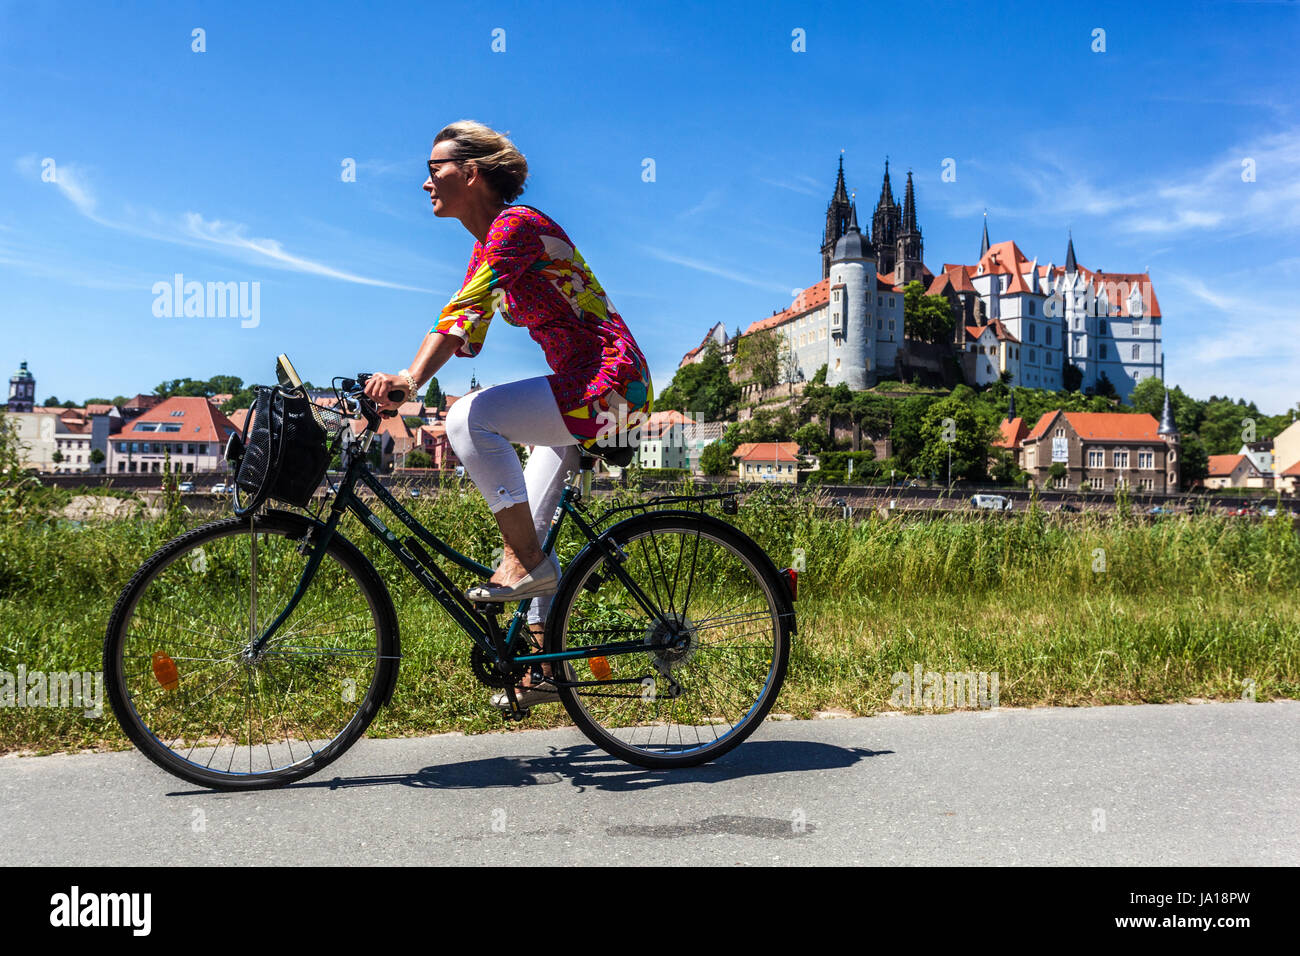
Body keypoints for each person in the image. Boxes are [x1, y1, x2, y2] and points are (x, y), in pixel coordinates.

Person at [364, 120, 653, 709]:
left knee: (471, 419)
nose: (425, 183)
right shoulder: (488, 243)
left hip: (608, 382)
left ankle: (525, 565)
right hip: (582, 386)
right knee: (536, 532)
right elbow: (468, 327)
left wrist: (409, 379)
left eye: (433, 169)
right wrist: (408, 381)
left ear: (471, 173)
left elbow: (462, 311)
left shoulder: (517, 227)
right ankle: (545, 664)